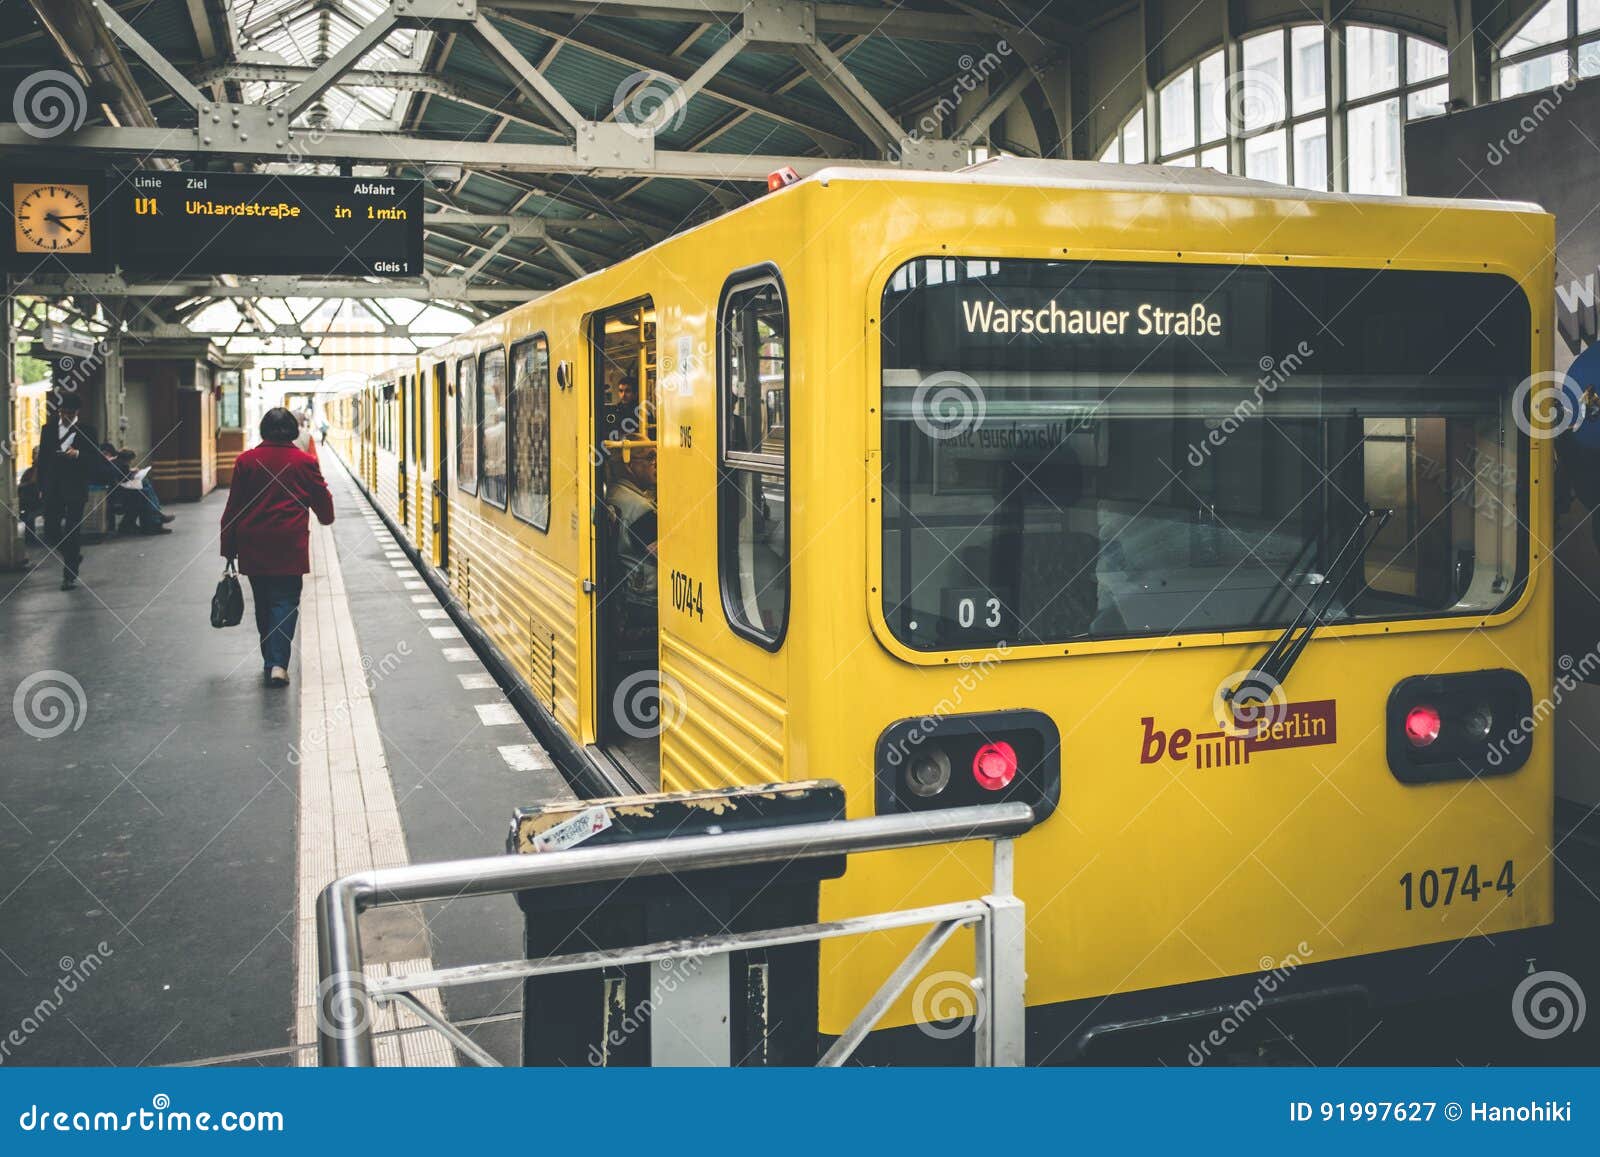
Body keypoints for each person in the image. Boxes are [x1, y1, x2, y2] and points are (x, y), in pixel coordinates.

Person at [220, 407, 335, 687]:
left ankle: (270, 659)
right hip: (289, 544)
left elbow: (233, 507)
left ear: (263, 429)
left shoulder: (246, 461)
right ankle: (278, 664)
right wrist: (324, 516)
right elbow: (323, 502)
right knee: (285, 601)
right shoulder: (304, 462)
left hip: (253, 543)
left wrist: (228, 547)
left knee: (263, 603)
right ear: (293, 431)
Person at [36, 392, 113, 590]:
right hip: (53, 487)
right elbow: (42, 461)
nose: (65, 416)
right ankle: (73, 555)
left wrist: (78, 454)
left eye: (70, 413)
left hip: (76, 487)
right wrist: (41, 487)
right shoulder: (48, 429)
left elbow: (96, 459)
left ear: (77, 412)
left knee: (72, 530)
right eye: (63, 412)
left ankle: (69, 575)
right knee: (51, 530)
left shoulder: (87, 431)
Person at [107, 447, 173, 535]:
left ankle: (156, 517)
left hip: (120, 491)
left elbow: (123, 474)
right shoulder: (119, 464)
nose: (130, 463)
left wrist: (131, 472)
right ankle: (156, 518)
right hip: (118, 495)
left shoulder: (116, 463)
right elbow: (123, 478)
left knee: (146, 486)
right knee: (145, 492)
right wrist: (132, 474)